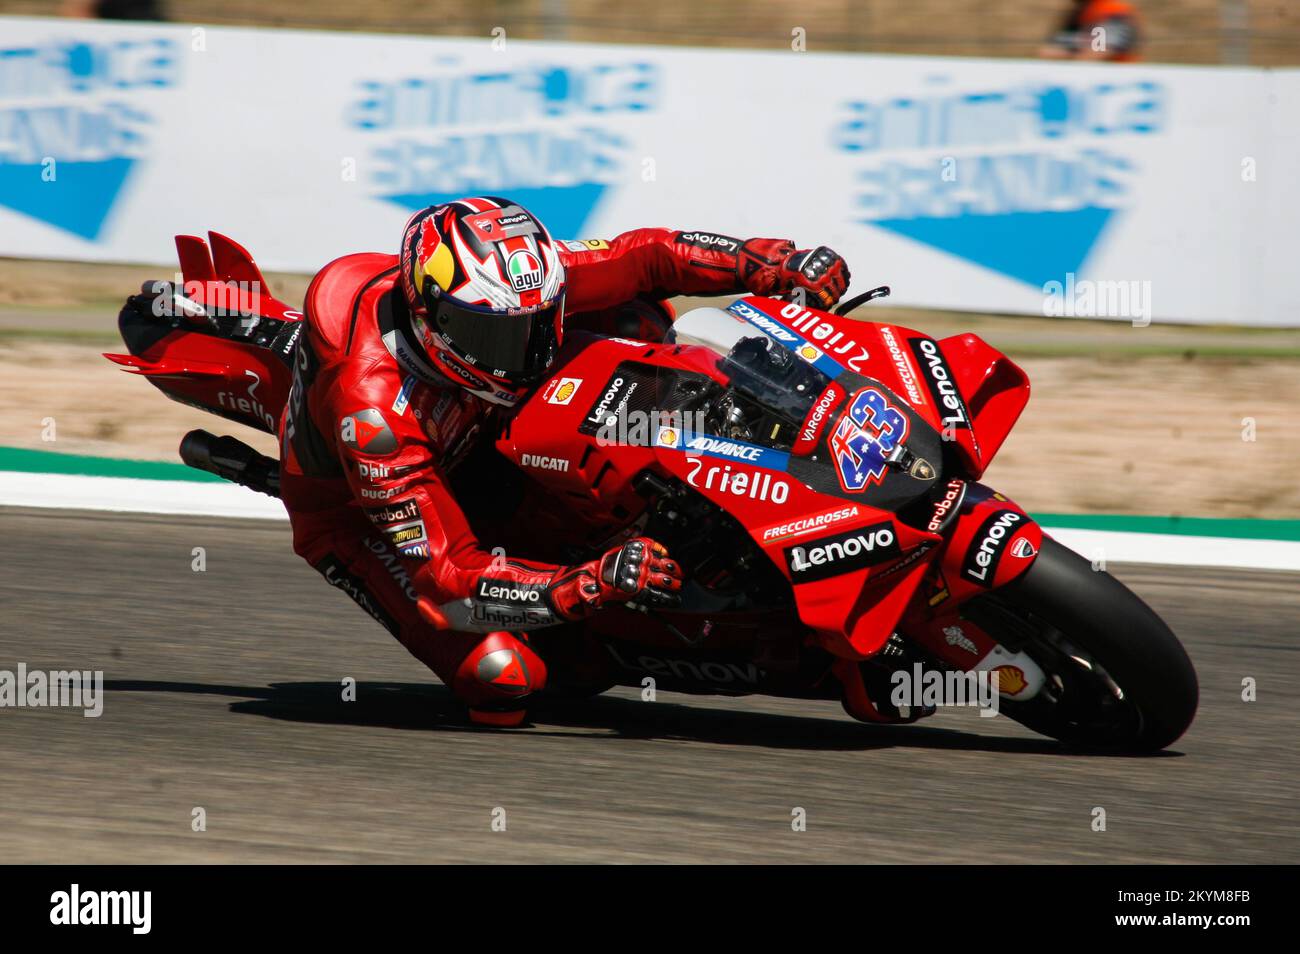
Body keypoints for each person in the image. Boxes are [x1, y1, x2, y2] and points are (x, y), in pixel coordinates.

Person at [278, 196, 850, 725]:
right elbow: (448, 580)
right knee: (504, 678)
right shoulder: (373, 414)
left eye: (535, 325)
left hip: (482, 421)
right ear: (432, 318)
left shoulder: (517, 282)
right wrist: (584, 585)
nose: (525, 351)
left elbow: (644, 256)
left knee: (633, 315)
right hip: (361, 513)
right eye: (496, 335)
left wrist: (770, 263)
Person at [1040, 0, 1142, 62]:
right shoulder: (1080, 12)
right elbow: (1047, 51)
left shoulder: (1112, 10)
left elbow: (1100, 52)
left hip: (1114, 82)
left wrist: (1069, 57)